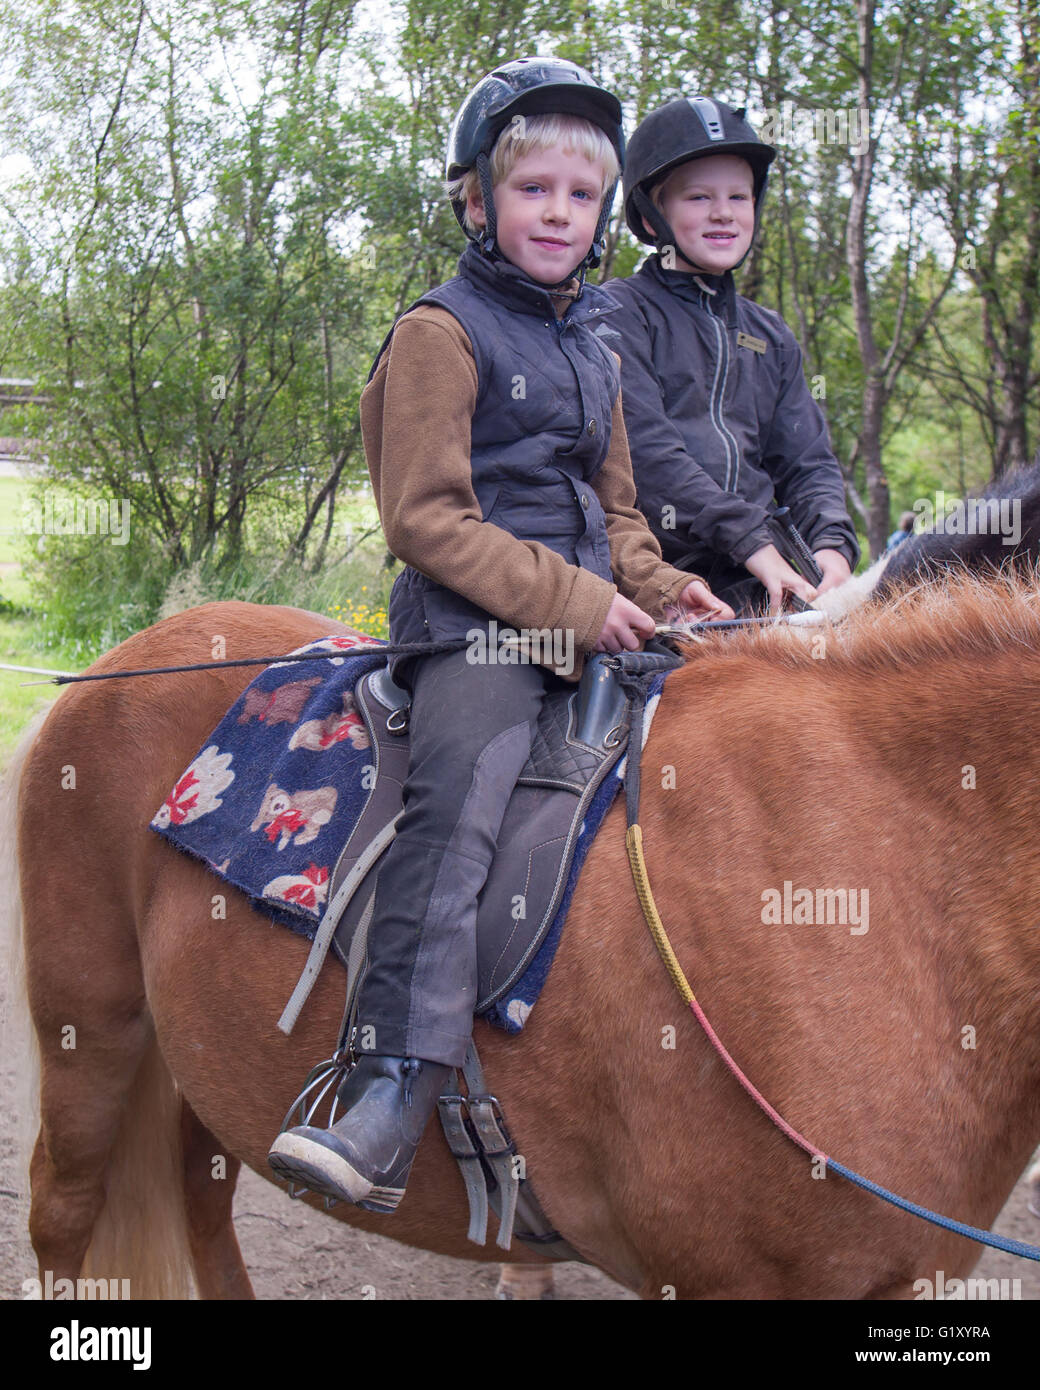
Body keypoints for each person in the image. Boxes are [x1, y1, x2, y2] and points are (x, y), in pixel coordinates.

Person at [267, 57, 733, 1213]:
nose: (556, 216)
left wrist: (669, 590)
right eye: (532, 192)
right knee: (465, 798)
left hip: (587, 627)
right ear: (476, 199)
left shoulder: (595, 349)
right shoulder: (439, 331)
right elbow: (427, 517)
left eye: (580, 199)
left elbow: (613, 516)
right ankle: (385, 1085)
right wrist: (576, 606)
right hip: (472, 638)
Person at [603, 96, 861, 615]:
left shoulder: (771, 335)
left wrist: (832, 547)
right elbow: (650, 456)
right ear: (652, 217)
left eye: (738, 197)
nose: (723, 213)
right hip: (658, 570)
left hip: (767, 573)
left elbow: (807, 462)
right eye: (699, 197)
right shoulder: (617, 312)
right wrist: (752, 543)